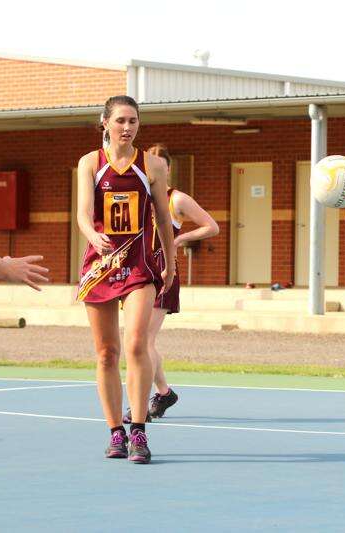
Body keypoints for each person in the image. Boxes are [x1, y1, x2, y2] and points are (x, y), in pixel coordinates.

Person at [76, 95, 176, 464]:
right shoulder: (90, 163)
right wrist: (92, 235)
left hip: (138, 266)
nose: (127, 127)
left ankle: (138, 431)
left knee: (136, 343)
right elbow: (83, 215)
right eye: (120, 120)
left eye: (133, 121)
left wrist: (171, 262)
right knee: (106, 353)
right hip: (100, 265)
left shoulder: (152, 165)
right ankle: (115, 431)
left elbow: (163, 217)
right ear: (104, 122)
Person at [123, 143, 219, 423]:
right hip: (138, 274)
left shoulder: (176, 199)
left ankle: (143, 403)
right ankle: (163, 393)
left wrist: (179, 239)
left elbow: (211, 226)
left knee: (143, 341)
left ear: (167, 169)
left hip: (163, 273)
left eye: (160, 165)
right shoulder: (139, 196)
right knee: (140, 341)